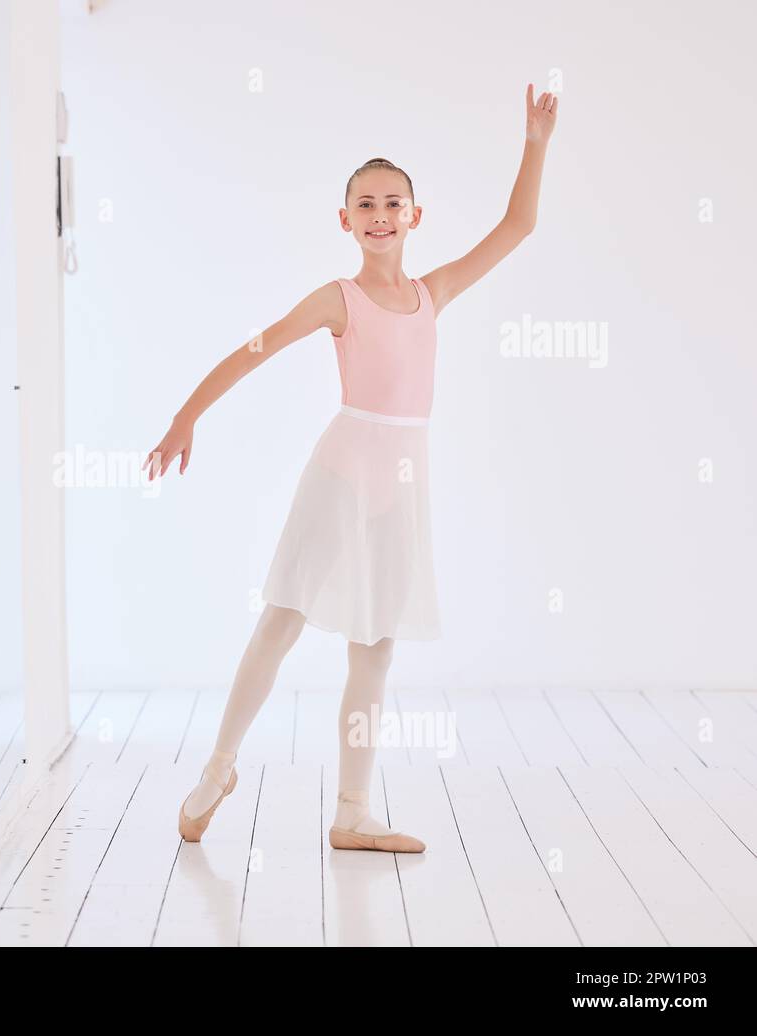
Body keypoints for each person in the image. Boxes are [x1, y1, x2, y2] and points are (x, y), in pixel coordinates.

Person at [145, 84, 559, 852]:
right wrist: (185, 417)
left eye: (392, 203)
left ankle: (352, 810)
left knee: (375, 646)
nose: (379, 215)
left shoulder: (434, 294)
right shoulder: (338, 299)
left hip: (402, 485)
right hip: (343, 471)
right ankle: (218, 767)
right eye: (365, 204)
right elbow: (255, 348)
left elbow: (519, 225)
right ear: (345, 220)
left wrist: (535, 142)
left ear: (414, 216)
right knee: (281, 621)